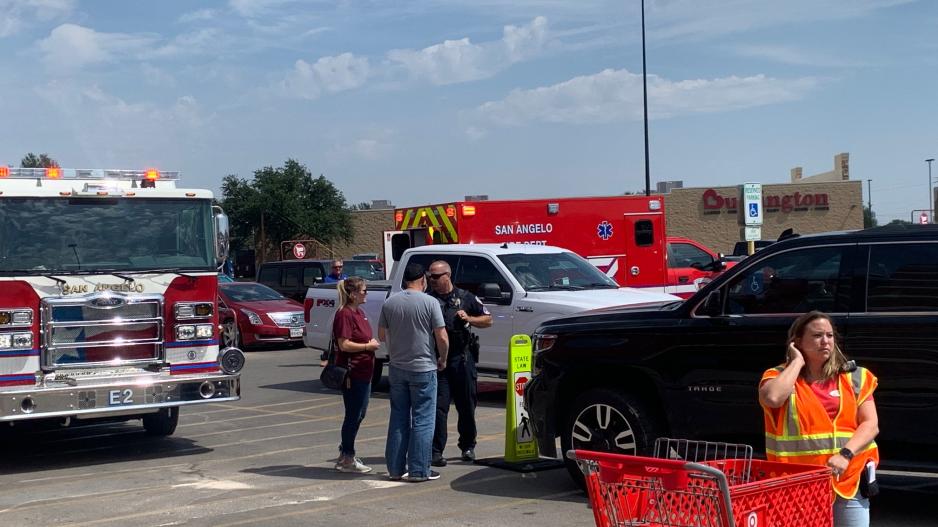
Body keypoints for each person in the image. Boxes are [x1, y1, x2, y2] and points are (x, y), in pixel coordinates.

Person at [759, 311, 879, 527]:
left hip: (847, 478)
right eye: (817, 336)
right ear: (797, 342)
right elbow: (773, 398)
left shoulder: (856, 376)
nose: (826, 341)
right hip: (798, 485)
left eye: (830, 335)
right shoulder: (779, 376)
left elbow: (871, 425)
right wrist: (796, 362)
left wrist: (845, 454)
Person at [379, 263, 448, 482]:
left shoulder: (390, 302)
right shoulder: (430, 302)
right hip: (423, 367)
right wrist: (443, 358)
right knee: (423, 419)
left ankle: (396, 469)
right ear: (423, 280)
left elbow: (381, 335)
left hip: (397, 367)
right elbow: (442, 336)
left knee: (398, 417)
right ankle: (419, 470)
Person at [426, 260, 492, 466]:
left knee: (466, 405)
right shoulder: (429, 300)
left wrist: (469, 318)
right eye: (430, 277)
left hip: (462, 358)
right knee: (439, 407)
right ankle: (436, 451)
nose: (432, 280)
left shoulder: (465, 297)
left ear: (447, 275)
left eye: (436, 277)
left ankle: (468, 446)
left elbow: (488, 320)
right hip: (439, 360)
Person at [331, 276, 381, 473]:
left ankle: (345, 452)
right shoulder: (344, 315)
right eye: (363, 291)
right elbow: (344, 344)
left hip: (365, 370)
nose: (366, 294)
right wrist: (368, 345)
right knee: (354, 414)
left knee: (360, 413)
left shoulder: (359, 312)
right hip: (353, 373)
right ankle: (347, 457)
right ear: (352, 294)